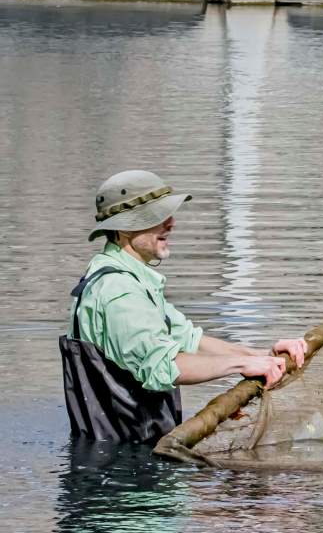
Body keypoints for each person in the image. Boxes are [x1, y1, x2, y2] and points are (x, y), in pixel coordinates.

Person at [61, 169, 308, 445]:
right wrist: (241, 364)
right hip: (125, 458)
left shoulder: (122, 276)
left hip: (122, 448)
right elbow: (164, 366)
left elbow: (189, 340)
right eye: (158, 216)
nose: (171, 223)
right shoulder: (120, 291)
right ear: (125, 228)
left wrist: (265, 356)